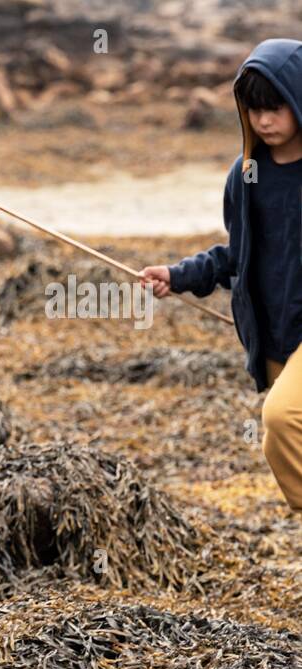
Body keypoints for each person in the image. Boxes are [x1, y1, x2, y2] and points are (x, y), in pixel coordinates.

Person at [141, 39, 302, 508]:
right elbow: (238, 255)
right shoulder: (247, 175)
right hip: (276, 340)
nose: (264, 121)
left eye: (275, 108)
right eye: (253, 110)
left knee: (281, 420)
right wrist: (178, 275)